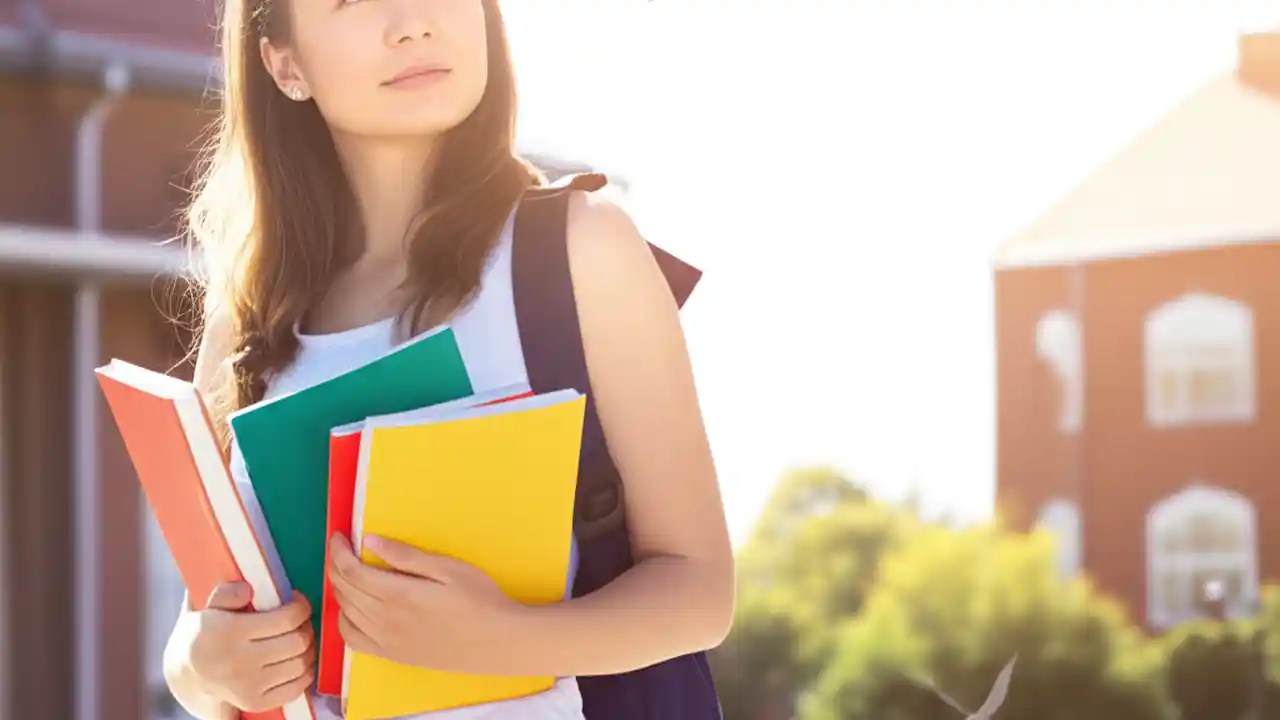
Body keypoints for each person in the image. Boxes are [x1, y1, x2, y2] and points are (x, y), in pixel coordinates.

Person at [159, 1, 734, 718]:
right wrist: (206, 665)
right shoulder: (248, 318)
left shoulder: (581, 248)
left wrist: (502, 639)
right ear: (284, 63)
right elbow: (193, 634)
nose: (412, 22)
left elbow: (700, 590)